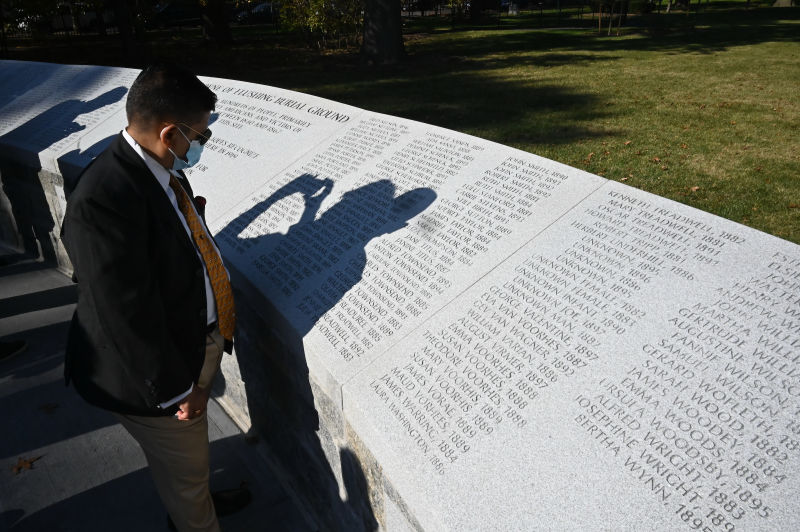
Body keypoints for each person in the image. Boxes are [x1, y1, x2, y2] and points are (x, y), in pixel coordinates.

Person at [62, 63, 248, 531]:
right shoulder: (103, 198)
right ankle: (194, 517)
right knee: (184, 474)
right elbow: (122, 313)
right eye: (200, 136)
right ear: (170, 133)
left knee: (188, 466)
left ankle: (195, 499)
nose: (201, 145)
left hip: (192, 344)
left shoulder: (156, 168)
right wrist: (176, 391)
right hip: (159, 379)